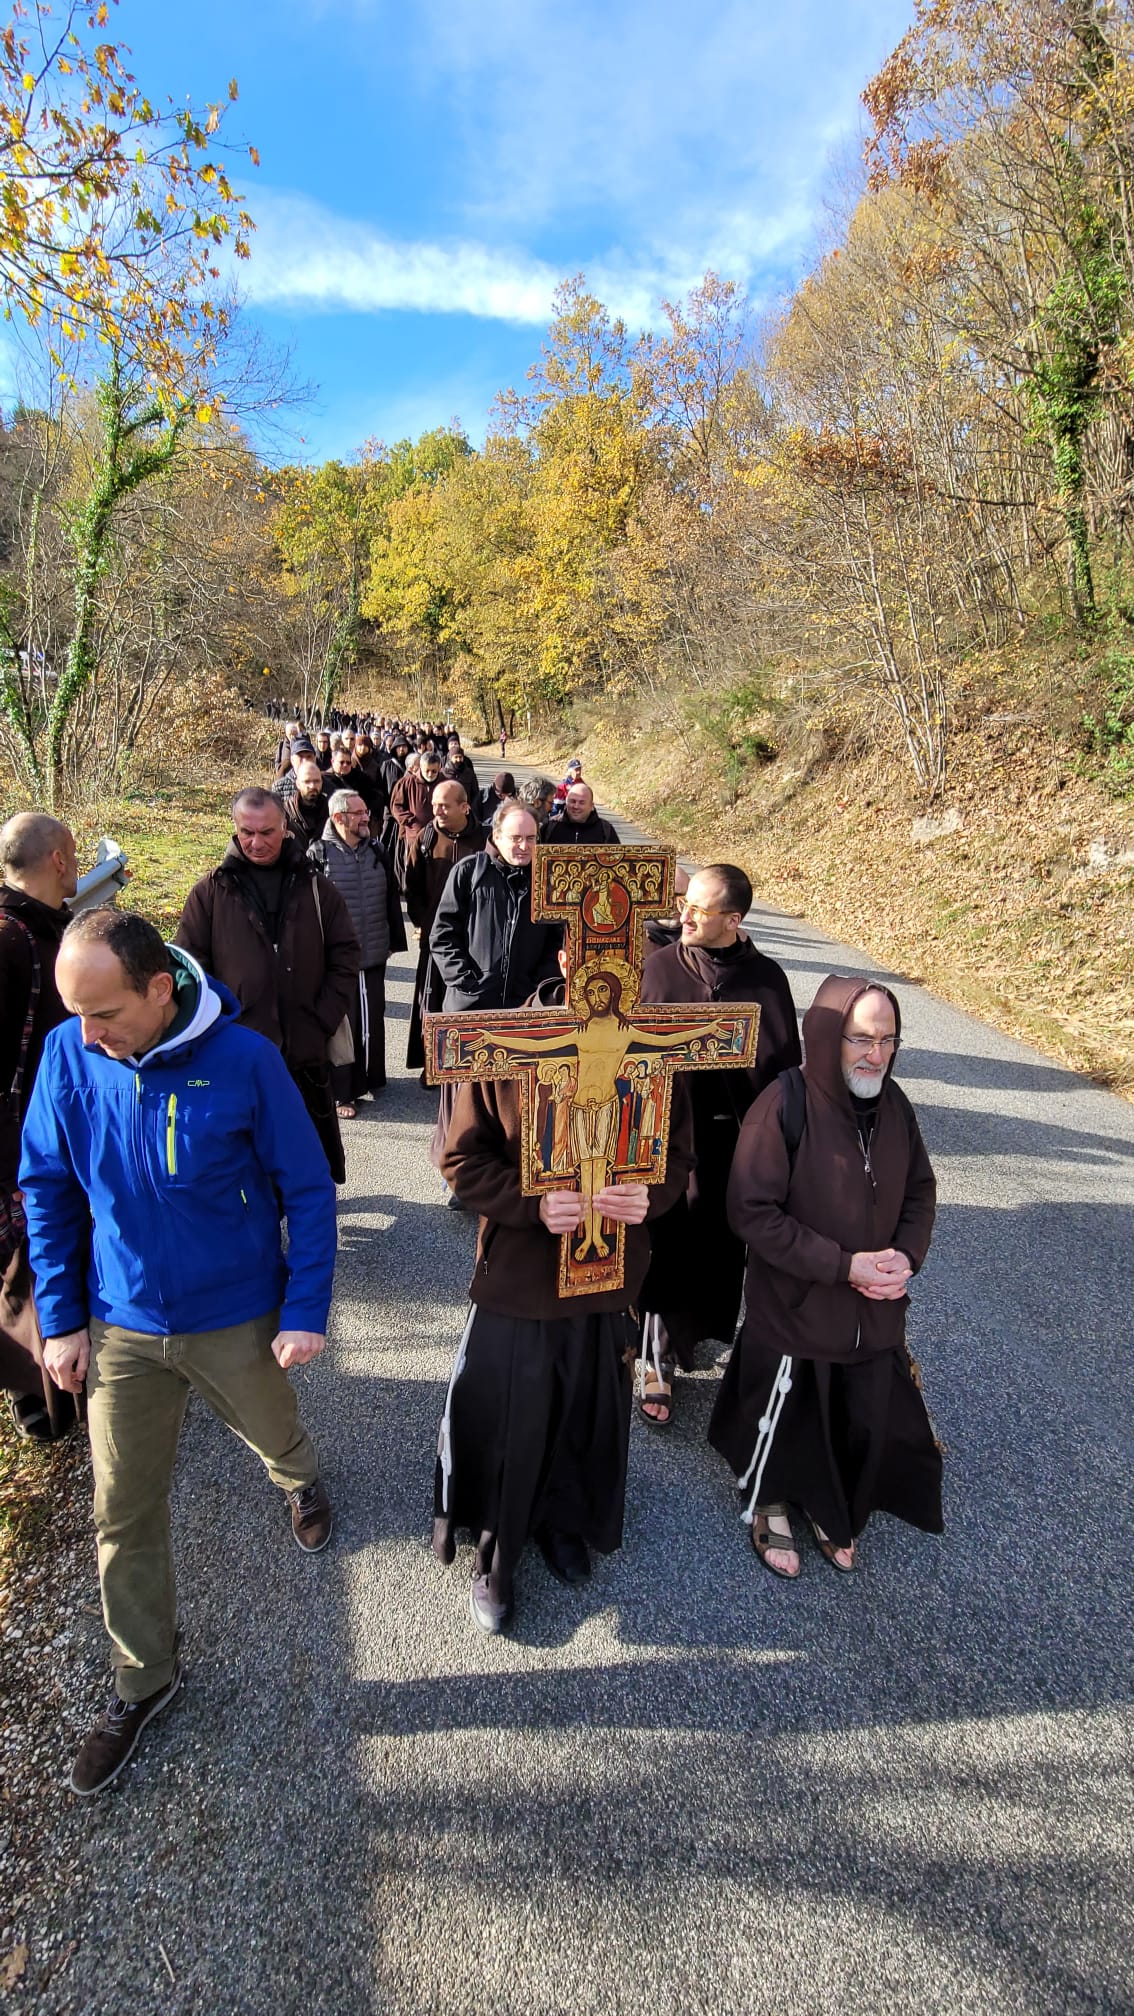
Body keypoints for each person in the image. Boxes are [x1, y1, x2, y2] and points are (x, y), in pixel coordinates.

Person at [20, 908, 337, 1797]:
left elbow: (306, 1189)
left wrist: (304, 1307)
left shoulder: (246, 1063)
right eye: (73, 1012)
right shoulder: (67, 1057)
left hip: (235, 1315)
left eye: (104, 1012)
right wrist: (62, 1315)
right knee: (121, 1510)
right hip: (121, 1326)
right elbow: (47, 1186)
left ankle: (300, 1477)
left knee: (273, 1427)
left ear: (161, 990)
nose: (87, 1033)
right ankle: (143, 1678)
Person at [433, 945, 695, 1633]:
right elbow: (458, 1158)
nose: (608, 977)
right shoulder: (509, 1041)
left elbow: (676, 1154)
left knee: (586, 1407)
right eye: (594, 957)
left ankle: (563, 1522)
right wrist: (531, 1200)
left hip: (608, 1270)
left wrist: (651, 1194)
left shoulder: (654, 1048)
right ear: (565, 954)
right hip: (524, 1273)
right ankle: (497, 1552)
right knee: (515, 1410)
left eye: (626, 962)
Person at [709, 976, 942, 1578]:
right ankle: (772, 1499)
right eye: (862, 1039)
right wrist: (843, 1266)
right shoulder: (782, 1104)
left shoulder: (895, 1107)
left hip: (872, 1316)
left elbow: (919, 1189)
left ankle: (828, 1499)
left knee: (858, 1415)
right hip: (797, 1309)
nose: (877, 1055)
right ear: (826, 1035)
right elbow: (750, 1212)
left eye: (888, 1040)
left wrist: (906, 1258)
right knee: (788, 1418)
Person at [636, 865, 801, 1426]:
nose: (684, 914)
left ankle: (704, 1336)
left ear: (733, 920)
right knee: (665, 1241)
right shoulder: (659, 969)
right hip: (665, 1140)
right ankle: (655, 1360)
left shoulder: (766, 980)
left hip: (733, 1142)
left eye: (699, 910)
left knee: (723, 1247)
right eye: (686, 903)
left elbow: (783, 1072)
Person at [176, 789, 360, 1183]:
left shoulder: (316, 887)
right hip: (238, 1052)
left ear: (285, 828)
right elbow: (190, 968)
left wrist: (322, 1019)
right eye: (247, 832)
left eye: (266, 832)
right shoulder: (210, 891)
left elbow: (346, 956)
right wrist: (219, 1027)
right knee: (244, 1164)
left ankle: (310, 1235)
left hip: (305, 1051)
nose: (256, 842)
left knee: (308, 1161)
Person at [427, 800, 562, 1187]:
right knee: (462, 1097)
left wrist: (537, 990)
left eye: (531, 839)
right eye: (516, 838)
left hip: (522, 1009)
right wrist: (467, 982)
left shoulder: (547, 882)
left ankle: (507, 1173)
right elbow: (443, 934)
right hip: (470, 1006)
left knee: (511, 1098)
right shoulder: (469, 871)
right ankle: (457, 1176)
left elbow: (558, 945)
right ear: (497, 836)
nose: (523, 846)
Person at [0, 813, 79, 1438]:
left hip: (52, 1124)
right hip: (20, 1135)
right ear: (56, 859)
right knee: (24, 1272)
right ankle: (38, 1400)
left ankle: (60, 1391)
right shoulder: (11, 938)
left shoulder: (50, 929)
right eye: (73, 854)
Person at [309, 788, 405, 1117]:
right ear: (339, 818)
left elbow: (391, 897)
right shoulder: (318, 854)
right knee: (342, 1026)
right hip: (334, 959)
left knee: (370, 1019)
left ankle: (369, 1078)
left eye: (366, 812)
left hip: (373, 951)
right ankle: (342, 1093)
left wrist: (395, 939)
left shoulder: (376, 850)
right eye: (359, 813)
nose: (367, 818)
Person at [403, 780, 484, 1078]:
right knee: (432, 1002)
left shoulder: (485, 840)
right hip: (436, 938)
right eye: (434, 804)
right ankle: (433, 1065)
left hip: (474, 937)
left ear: (464, 807)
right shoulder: (426, 838)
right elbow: (411, 887)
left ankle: (467, 1062)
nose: (436, 810)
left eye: (444, 805)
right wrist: (423, 924)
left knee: (468, 999)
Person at [544, 782, 620, 847]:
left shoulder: (605, 830)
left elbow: (618, 859)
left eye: (582, 803)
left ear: (591, 805)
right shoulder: (550, 826)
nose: (576, 806)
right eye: (572, 801)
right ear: (566, 802)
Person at [284, 756, 330, 849]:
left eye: (316, 781)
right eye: (307, 781)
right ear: (298, 784)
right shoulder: (285, 813)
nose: (312, 786)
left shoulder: (332, 811)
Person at [443, 737, 478, 802]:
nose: (458, 760)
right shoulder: (443, 773)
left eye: (460, 757)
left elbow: (475, 793)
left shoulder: (469, 773)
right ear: (451, 758)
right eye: (456, 757)